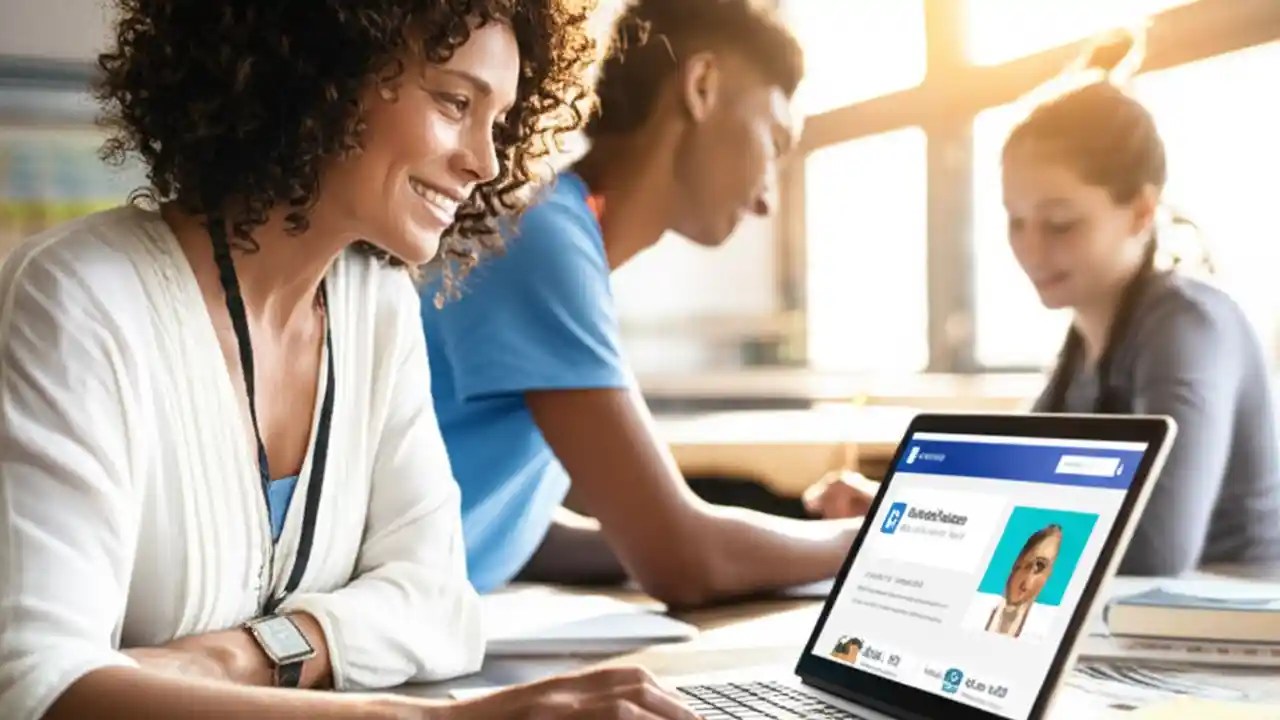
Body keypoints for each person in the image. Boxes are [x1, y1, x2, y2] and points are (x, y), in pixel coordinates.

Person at [0, 1, 698, 718]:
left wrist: (238, 655)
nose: (485, 162)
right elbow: (37, 686)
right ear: (319, 71)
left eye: (498, 123)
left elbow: (437, 602)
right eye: (456, 101)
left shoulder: (376, 306)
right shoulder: (78, 298)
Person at [421, 0, 868, 604]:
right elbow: (682, 562)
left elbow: (492, 524)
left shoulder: (555, 226)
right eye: (774, 140)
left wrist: (765, 540)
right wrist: (865, 544)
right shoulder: (543, 237)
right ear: (702, 86)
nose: (768, 201)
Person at [805, 30, 1280, 577]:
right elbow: (1011, 497)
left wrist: (936, 535)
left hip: (1213, 639)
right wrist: (893, 515)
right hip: (1127, 635)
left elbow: (1151, 552)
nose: (1030, 249)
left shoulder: (1188, 326)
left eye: (1060, 223)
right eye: (1016, 221)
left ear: (1140, 212)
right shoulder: (1082, 345)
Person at [984, 525, 1062, 638]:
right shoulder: (977, 606)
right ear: (1017, 562)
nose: (1029, 577)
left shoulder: (1049, 627)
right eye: (1028, 565)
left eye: (1041, 566)